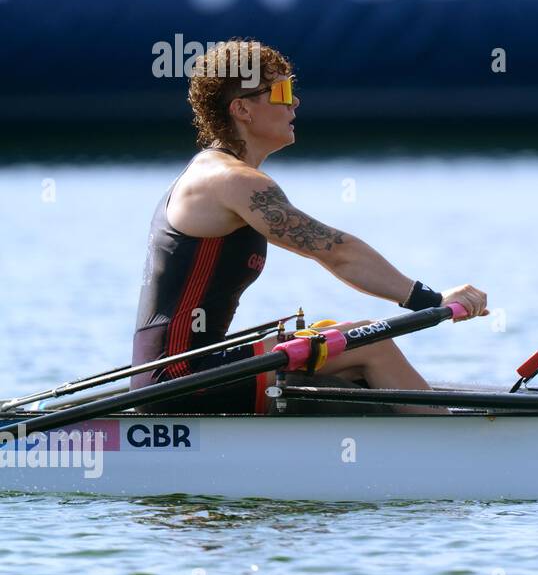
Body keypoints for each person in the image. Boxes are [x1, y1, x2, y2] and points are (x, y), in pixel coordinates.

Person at [131, 39, 487, 413]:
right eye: (282, 92)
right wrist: (433, 301)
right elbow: (337, 252)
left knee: (346, 348)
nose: (295, 102)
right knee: (373, 343)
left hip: (180, 370)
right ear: (242, 109)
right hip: (179, 377)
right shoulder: (232, 181)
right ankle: (452, 453)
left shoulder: (214, 171)